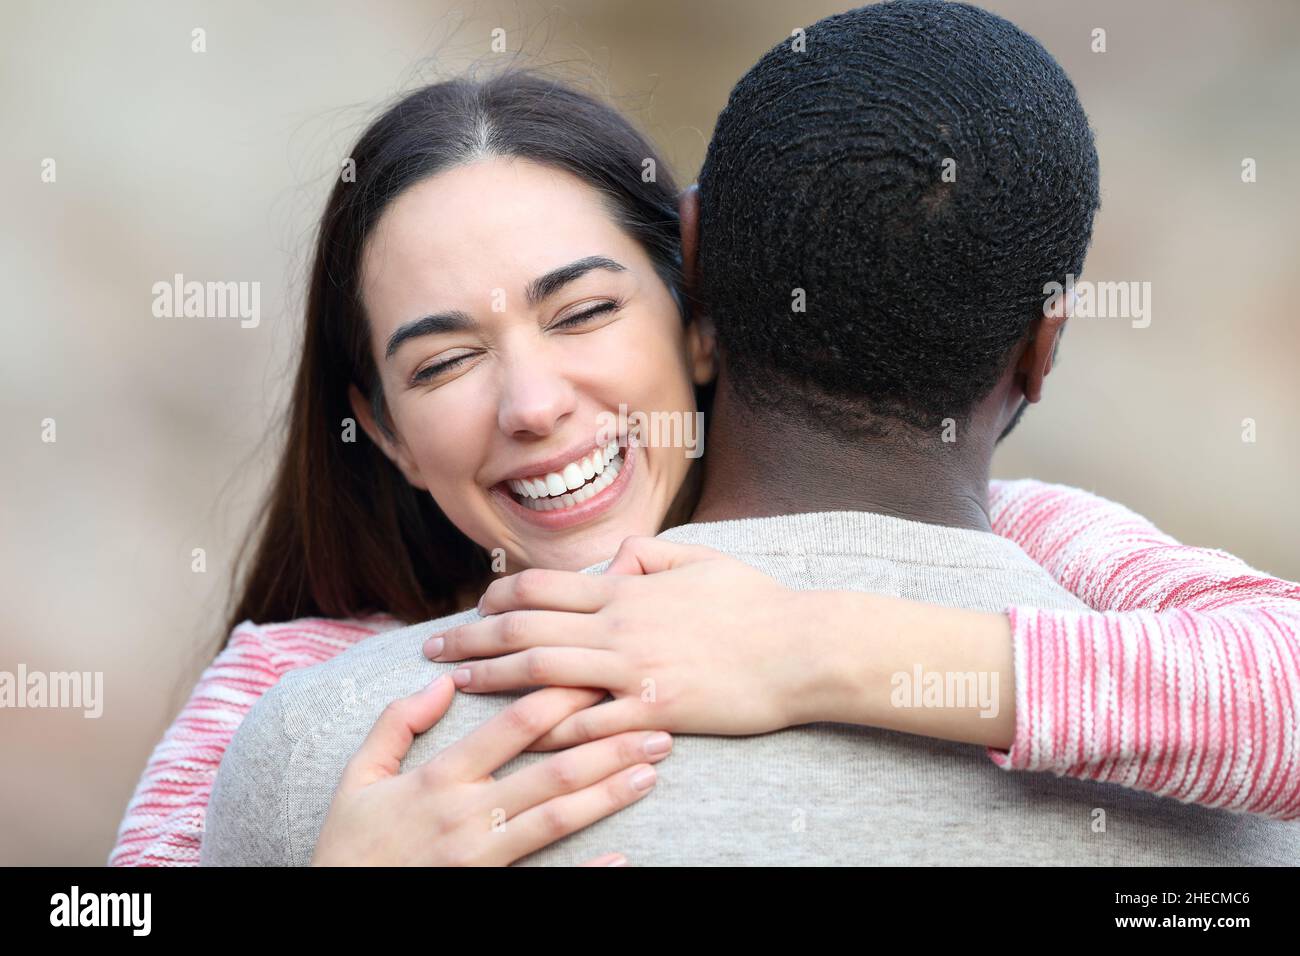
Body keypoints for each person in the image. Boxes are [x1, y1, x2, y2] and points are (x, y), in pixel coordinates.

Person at [195, 1, 1300, 866]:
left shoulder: (1048, 535)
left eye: (582, 310)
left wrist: (807, 647)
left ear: (694, 289)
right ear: (376, 429)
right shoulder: (283, 695)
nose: (530, 402)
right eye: (440, 360)